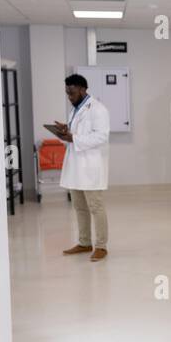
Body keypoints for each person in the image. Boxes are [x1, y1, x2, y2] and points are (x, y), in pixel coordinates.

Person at [53, 73, 111, 262]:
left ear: (83, 89)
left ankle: (101, 246)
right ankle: (85, 242)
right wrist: (66, 129)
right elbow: (79, 131)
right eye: (67, 93)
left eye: (72, 93)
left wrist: (74, 138)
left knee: (95, 206)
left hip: (91, 165)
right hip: (77, 166)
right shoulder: (76, 109)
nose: (69, 97)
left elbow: (101, 136)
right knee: (79, 206)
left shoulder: (98, 109)